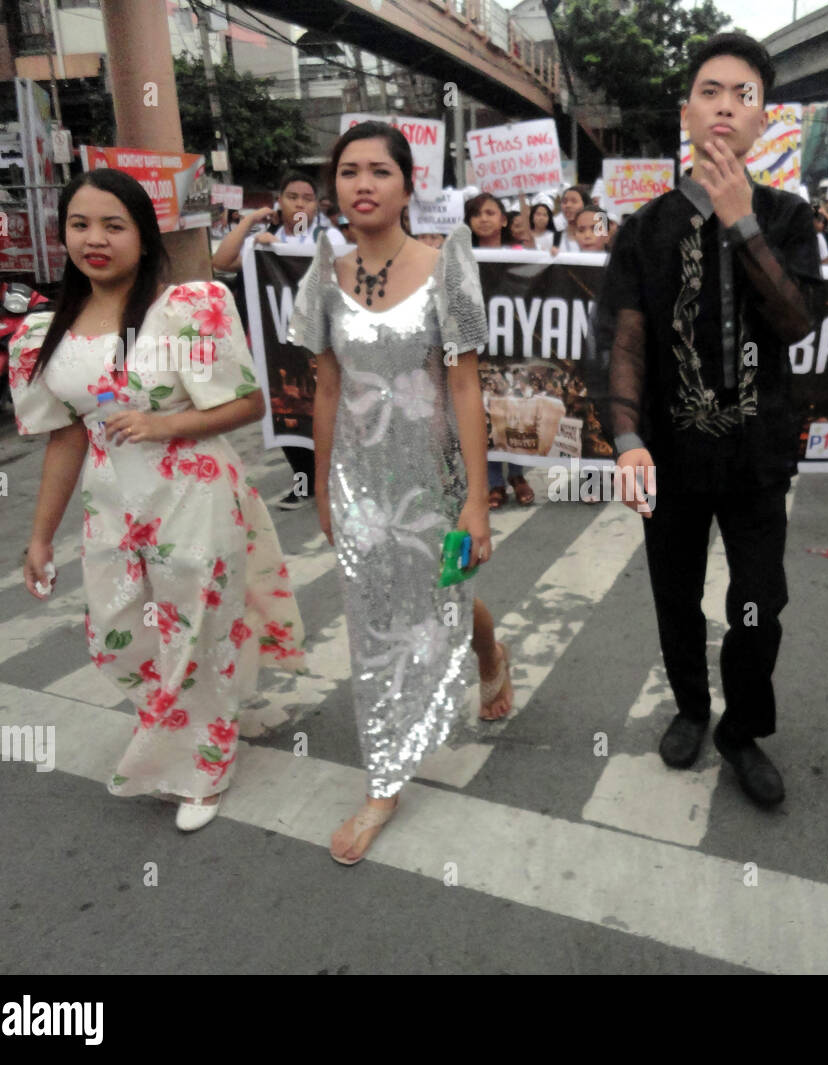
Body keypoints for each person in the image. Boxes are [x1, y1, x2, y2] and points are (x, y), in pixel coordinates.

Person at [9, 168, 306, 832]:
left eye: (114, 225)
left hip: (194, 498)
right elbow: (64, 439)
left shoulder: (186, 308)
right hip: (112, 505)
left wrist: (166, 424)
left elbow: (248, 401)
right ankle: (193, 718)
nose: (96, 238)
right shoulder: (45, 330)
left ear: (143, 237)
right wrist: (39, 536)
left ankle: (202, 761)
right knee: (119, 635)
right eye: (81, 224)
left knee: (195, 632)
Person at [596, 32, 823, 808]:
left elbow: (795, 321)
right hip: (672, 453)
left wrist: (741, 220)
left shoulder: (790, 218)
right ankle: (692, 706)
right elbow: (625, 339)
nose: (727, 105)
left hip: (758, 453)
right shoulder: (645, 228)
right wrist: (628, 440)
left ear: (764, 119)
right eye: (712, 91)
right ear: (687, 109)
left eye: (744, 94)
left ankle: (742, 730)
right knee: (676, 592)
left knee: (758, 600)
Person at [289, 122, 515, 866]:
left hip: (434, 477)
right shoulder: (324, 274)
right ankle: (383, 777)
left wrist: (477, 498)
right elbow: (325, 386)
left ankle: (488, 653)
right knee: (374, 620)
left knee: (446, 590)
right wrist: (323, 482)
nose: (362, 184)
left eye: (379, 171)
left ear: (409, 185)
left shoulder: (448, 265)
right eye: (348, 171)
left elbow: (463, 381)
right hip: (359, 481)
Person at [212, 172, 348, 512]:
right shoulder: (264, 238)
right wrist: (251, 224)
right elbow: (221, 261)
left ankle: (333, 479)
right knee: (286, 414)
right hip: (276, 345)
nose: (300, 203)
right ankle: (303, 481)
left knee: (325, 412)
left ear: (317, 206)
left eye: (307, 197)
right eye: (292, 197)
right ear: (279, 203)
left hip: (318, 344)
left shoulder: (327, 236)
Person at [466, 192, 535, 507]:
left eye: (490, 212)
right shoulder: (462, 256)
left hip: (512, 344)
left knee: (514, 409)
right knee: (483, 413)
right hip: (476, 346)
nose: (483, 219)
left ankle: (517, 474)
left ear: (504, 220)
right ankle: (494, 482)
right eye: (477, 213)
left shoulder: (519, 252)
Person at [554, 184, 590, 253]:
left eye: (574, 201)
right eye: (564, 201)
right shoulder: (555, 237)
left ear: (585, 205)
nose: (568, 205)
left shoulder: (595, 237)